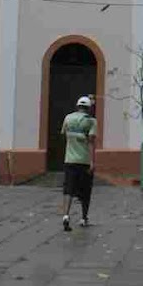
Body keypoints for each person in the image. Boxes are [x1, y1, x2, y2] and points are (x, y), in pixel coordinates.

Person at [60, 95, 97, 232]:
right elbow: (92, 142)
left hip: (69, 159)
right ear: (88, 108)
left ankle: (65, 215)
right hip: (84, 161)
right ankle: (83, 218)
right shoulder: (91, 121)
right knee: (85, 191)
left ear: (77, 106)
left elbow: (64, 135)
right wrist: (93, 162)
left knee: (68, 189)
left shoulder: (68, 118)